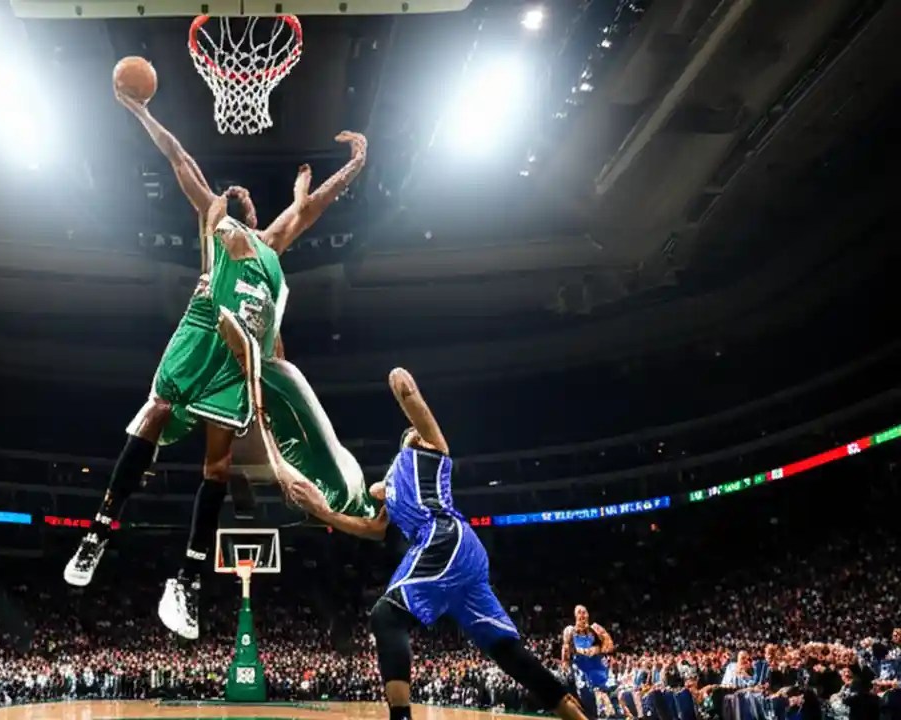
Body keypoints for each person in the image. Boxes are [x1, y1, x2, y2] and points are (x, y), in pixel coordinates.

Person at [64, 87, 371, 642]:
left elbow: (313, 207)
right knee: (156, 411)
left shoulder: (271, 246)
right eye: (235, 200)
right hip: (202, 331)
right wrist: (143, 112)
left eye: (246, 201)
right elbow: (179, 157)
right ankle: (98, 532)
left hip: (238, 355)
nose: (239, 202)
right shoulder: (218, 226)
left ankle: (186, 581)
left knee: (218, 468)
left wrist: (353, 166)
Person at [247, 362, 591, 720]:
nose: (415, 432)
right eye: (410, 432)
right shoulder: (393, 484)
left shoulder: (433, 452)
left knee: (386, 615)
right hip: (457, 555)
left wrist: (401, 387)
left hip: (443, 535)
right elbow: (373, 530)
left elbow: (405, 387)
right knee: (504, 648)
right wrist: (325, 513)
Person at [563, 605, 617, 717]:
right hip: (582, 673)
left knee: (608, 708)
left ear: (588, 615)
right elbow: (566, 651)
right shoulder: (570, 631)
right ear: (575, 616)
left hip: (599, 671)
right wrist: (566, 665)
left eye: (584, 612)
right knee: (587, 708)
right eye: (579, 612)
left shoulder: (596, 628)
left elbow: (610, 646)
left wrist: (597, 649)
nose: (582, 615)